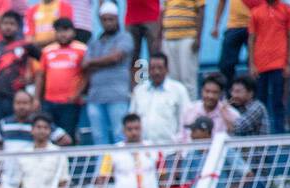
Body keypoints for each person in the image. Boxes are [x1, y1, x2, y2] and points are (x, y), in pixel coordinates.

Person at [83, 2, 139, 144]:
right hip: (95, 97)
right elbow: (85, 64)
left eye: (111, 19)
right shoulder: (94, 42)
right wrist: (103, 61)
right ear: (100, 20)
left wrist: (93, 62)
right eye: (105, 19)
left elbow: (116, 57)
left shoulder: (125, 37)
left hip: (117, 95)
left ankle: (121, 167)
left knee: (119, 135)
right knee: (99, 138)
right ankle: (103, 167)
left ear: (117, 18)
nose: (108, 23)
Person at [248, 0, 290, 133]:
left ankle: (279, 133)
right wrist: (252, 64)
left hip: (279, 63)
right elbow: (251, 38)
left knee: (278, 102)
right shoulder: (255, 12)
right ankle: (259, 135)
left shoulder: (287, 10)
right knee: (260, 102)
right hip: (260, 65)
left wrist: (289, 63)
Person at [38, 18, 88, 142]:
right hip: (49, 101)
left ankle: (68, 162)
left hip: (70, 102)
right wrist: (36, 99)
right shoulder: (47, 50)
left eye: (66, 30)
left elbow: (86, 74)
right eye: (59, 31)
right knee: (49, 136)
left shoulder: (82, 49)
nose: (63, 34)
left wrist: (76, 95)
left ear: (73, 32)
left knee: (68, 136)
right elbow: (40, 76)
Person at [98, 111, 162, 188]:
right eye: (130, 129)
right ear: (123, 130)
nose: (134, 132)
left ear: (141, 128)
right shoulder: (112, 151)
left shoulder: (154, 148)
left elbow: (163, 175)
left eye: (137, 128)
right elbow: (103, 178)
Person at [129, 51, 189, 142]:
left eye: (160, 68)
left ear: (167, 69)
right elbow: (132, 120)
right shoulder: (139, 91)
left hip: (170, 149)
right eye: (152, 68)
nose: (156, 72)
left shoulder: (179, 90)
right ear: (148, 70)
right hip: (144, 150)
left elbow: (186, 120)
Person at [0, 86, 72, 148]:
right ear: (13, 104)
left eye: (25, 103)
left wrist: (46, 151)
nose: (21, 106)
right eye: (18, 103)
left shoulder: (40, 123)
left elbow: (66, 140)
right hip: (9, 167)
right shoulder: (4, 123)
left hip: (33, 166)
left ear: (32, 105)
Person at [161, 0, 204, 99]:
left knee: (188, 80)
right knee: (172, 81)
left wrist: (198, 38)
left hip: (187, 38)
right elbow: (163, 12)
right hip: (168, 38)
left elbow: (201, 11)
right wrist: (160, 37)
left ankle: (191, 112)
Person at [214, 0, 255, 90]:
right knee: (225, 65)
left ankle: (253, 95)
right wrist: (216, 26)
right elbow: (222, 2)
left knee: (255, 65)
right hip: (234, 26)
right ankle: (230, 96)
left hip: (256, 25)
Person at [181, 73, 237, 138]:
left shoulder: (232, 114)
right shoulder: (189, 110)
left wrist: (226, 117)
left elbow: (235, 139)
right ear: (201, 91)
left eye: (215, 92)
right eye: (207, 91)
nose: (210, 96)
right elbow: (181, 137)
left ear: (221, 94)